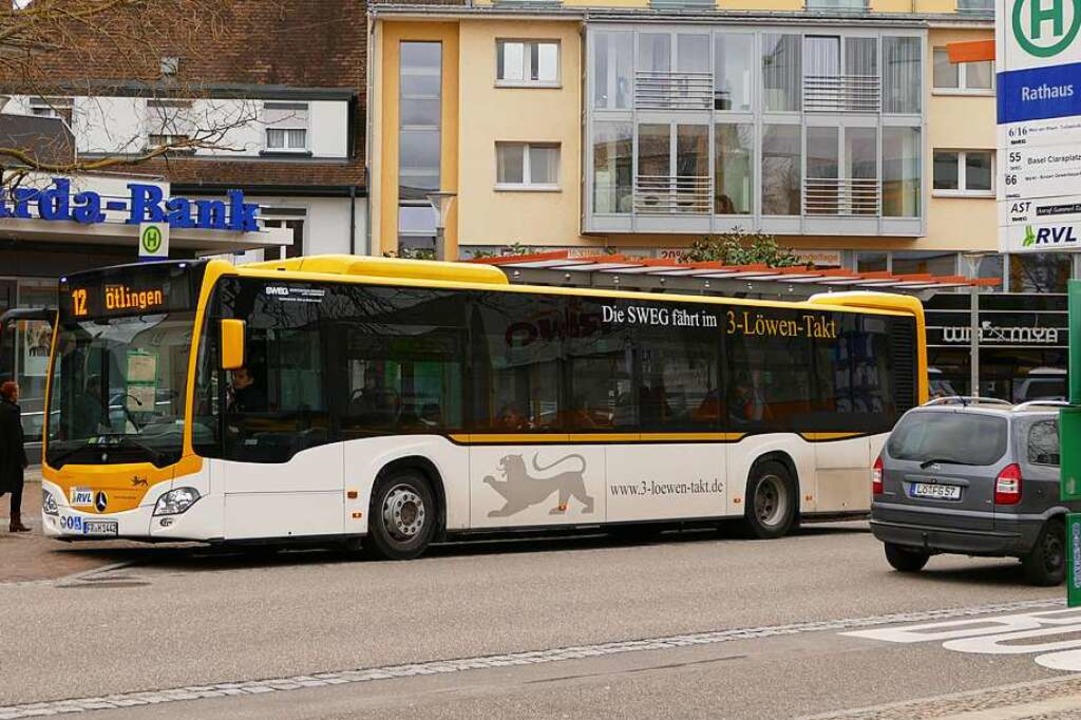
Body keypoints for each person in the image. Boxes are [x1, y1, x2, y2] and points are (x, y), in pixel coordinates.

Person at [0, 382, 30, 533]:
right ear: (11, 394)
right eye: (17, 391)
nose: (18, 393)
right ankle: (15, 521)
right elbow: (16, 437)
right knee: (17, 488)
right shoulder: (12, 411)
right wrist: (22, 459)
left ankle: (15, 521)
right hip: (12, 457)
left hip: (3, 455)